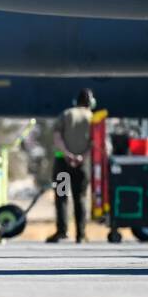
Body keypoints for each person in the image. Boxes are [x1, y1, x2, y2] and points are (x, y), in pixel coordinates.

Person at [47, 89, 95, 243]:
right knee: (80, 197)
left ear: (76, 101)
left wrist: (67, 154)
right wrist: (81, 157)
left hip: (62, 163)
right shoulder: (93, 118)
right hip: (82, 166)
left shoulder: (66, 114)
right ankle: (81, 235)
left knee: (61, 197)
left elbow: (57, 137)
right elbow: (95, 143)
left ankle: (62, 231)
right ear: (91, 102)